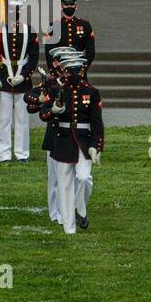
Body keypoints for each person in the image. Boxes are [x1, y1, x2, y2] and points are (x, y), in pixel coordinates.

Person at [47, 54, 104, 234]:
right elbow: (42, 113)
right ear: (64, 70)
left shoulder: (91, 92)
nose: (73, 74)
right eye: (70, 71)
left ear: (82, 70)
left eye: (76, 71)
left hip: (84, 141)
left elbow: (97, 123)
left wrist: (96, 145)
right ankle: (69, 227)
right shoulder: (57, 89)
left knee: (84, 178)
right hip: (63, 140)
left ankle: (81, 208)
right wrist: (52, 111)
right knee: (64, 184)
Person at [28, 46, 82, 222]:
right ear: (56, 63)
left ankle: (71, 207)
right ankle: (55, 212)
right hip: (55, 134)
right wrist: (41, 100)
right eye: (61, 61)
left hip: (74, 135)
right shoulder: (50, 82)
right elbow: (29, 99)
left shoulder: (78, 83)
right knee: (55, 179)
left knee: (75, 176)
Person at [0, 0, 39, 161]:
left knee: (22, 120)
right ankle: (4, 153)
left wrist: (23, 75)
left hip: (22, 81)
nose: (14, 14)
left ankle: (22, 153)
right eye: (11, 11)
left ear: (22, 12)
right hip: (4, 78)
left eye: (17, 11)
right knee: (4, 120)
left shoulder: (30, 31)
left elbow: (34, 58)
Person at [47, 0, 95, 65]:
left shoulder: (85, 25)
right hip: (60, 68)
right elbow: (49, 51)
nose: (69, 7)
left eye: (71, 4)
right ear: (61, 6)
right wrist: (56, 71)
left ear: (75, 6)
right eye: (66, 4)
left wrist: (83, 68)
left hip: (79, 66)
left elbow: (90, 50)